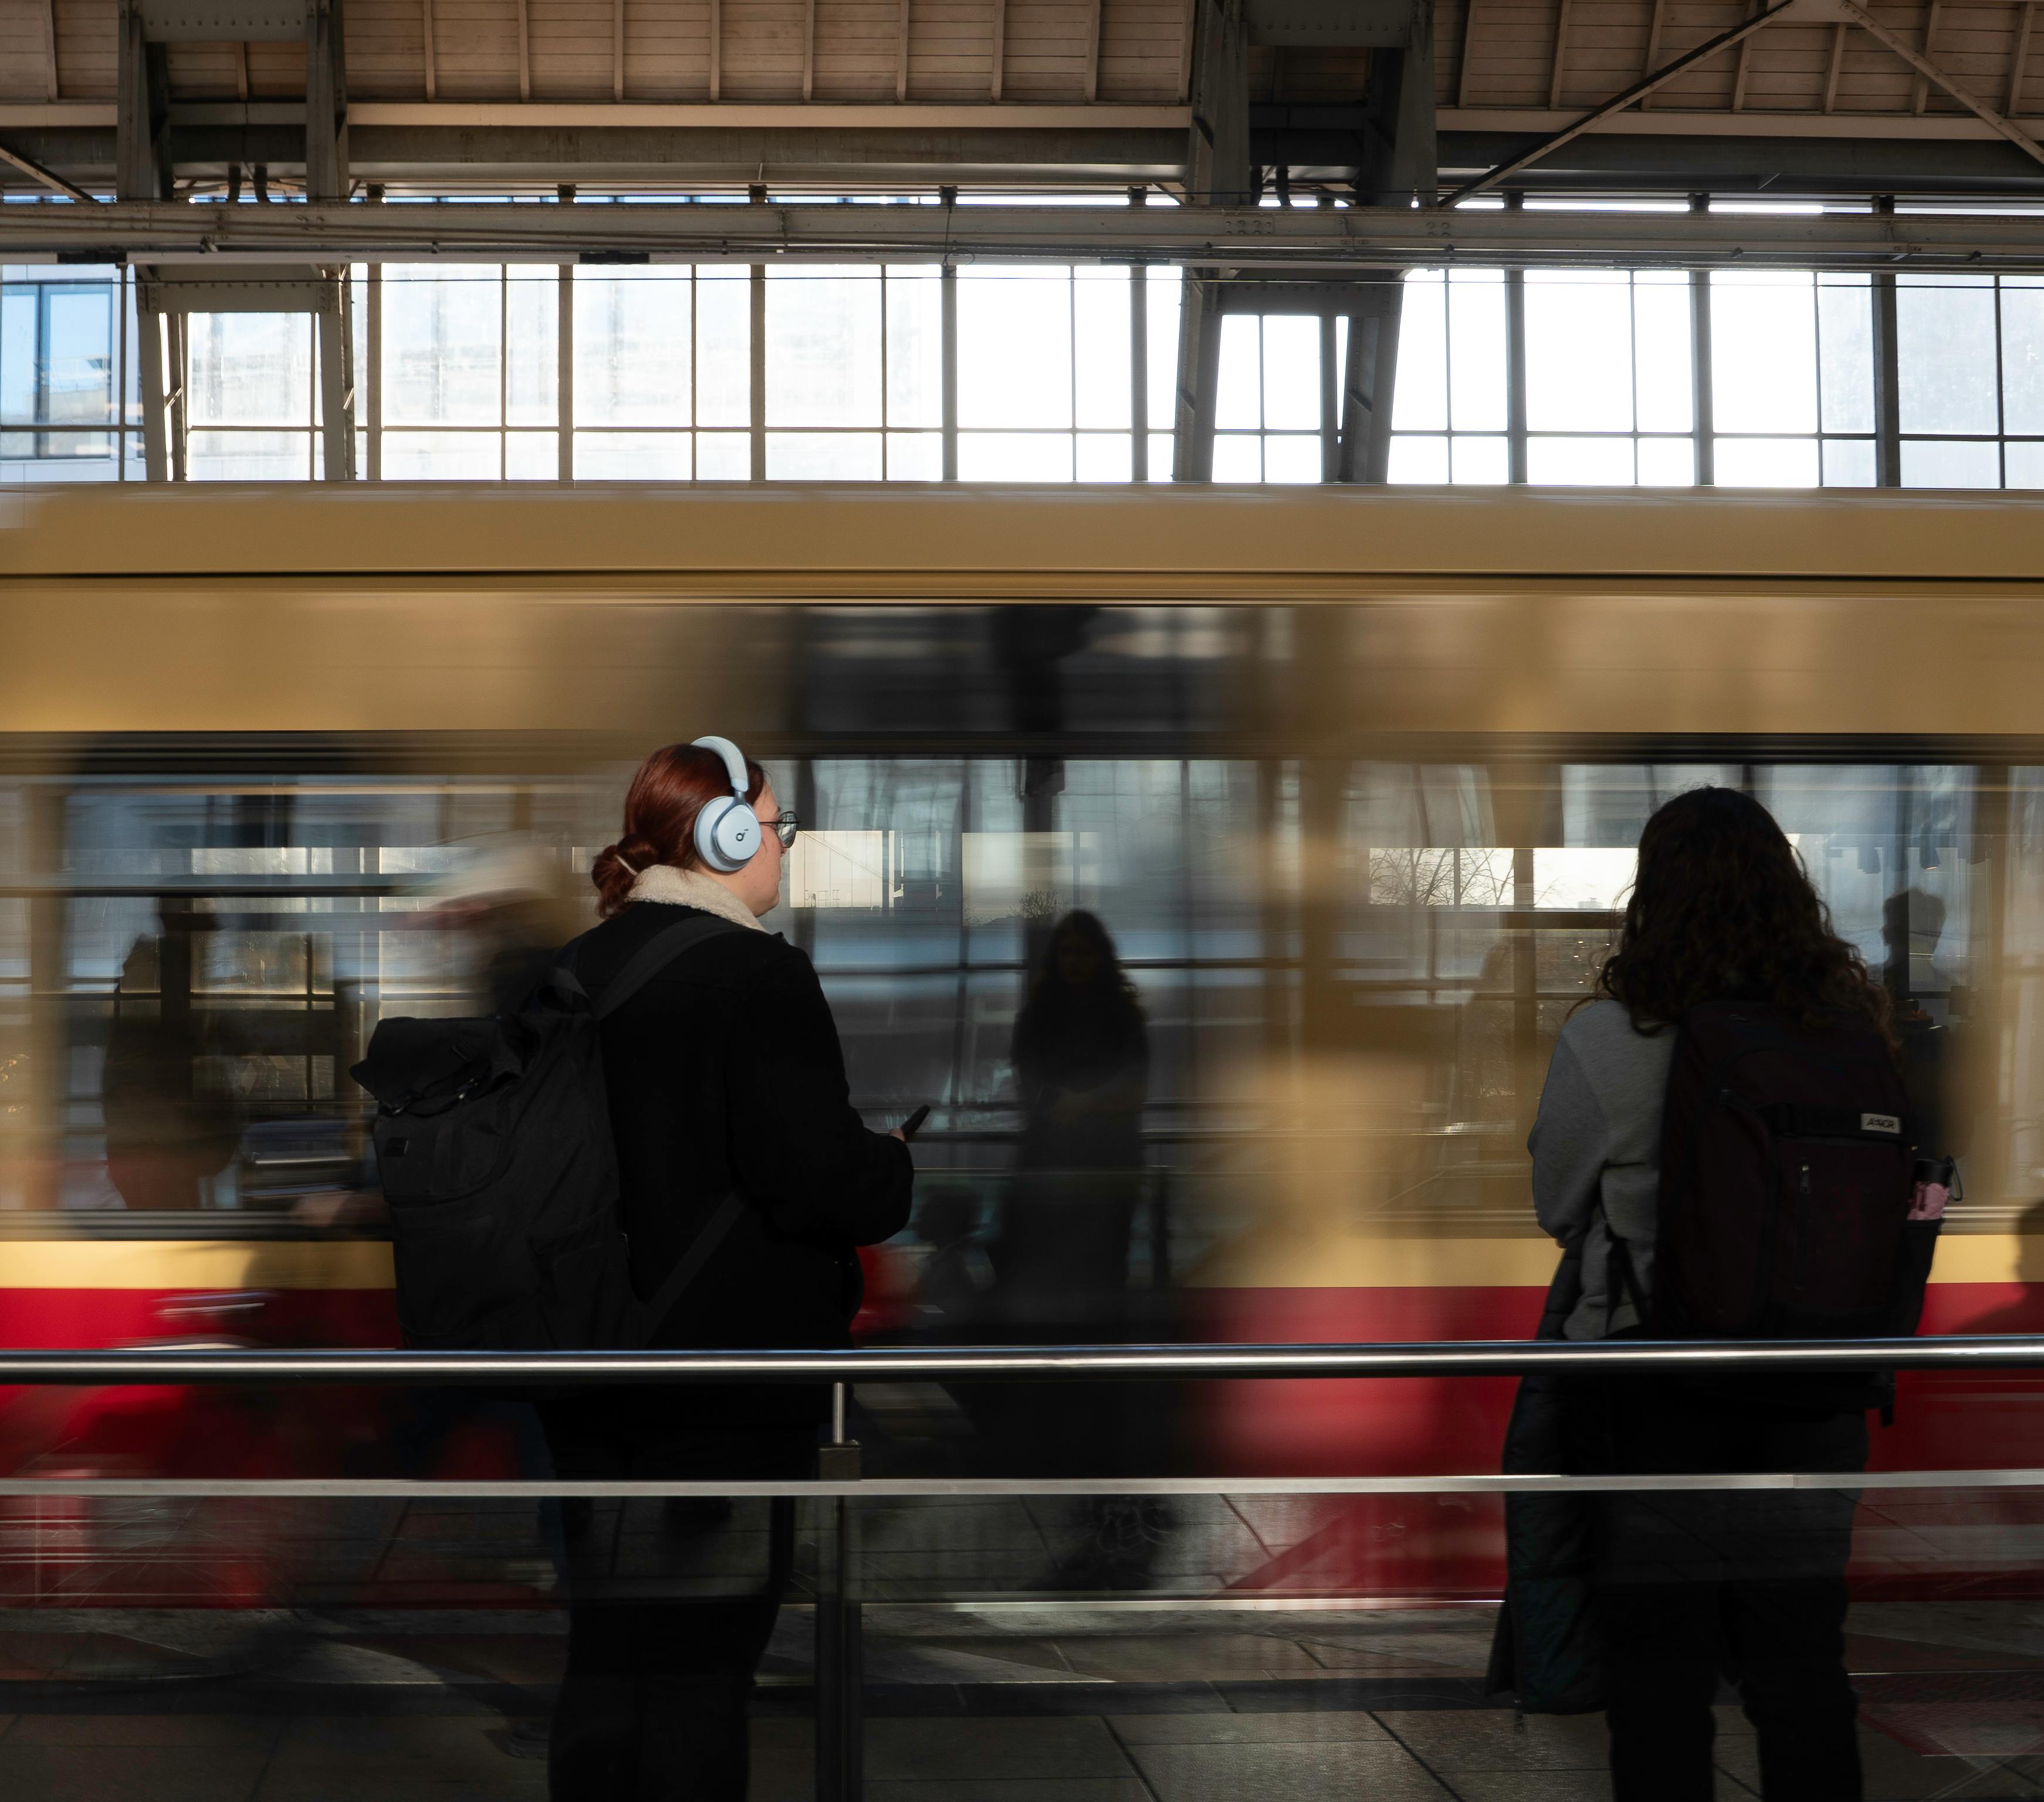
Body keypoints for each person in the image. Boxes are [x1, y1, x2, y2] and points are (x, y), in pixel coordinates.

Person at [540, 738, 913, 1802]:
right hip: (727, 1387)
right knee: (704, 1668)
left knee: (607, 1651)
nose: (783, 848)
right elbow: (816, 1183)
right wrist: (890, 1170)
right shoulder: (761, 975)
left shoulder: (575, 969)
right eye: (776, 825)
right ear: (727, 837)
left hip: (591, 1375)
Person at [1526, 786, 1889, 1802]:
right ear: (1788, 892)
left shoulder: (1607, 1035)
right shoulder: (1845, 1030)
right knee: (1802, 1658)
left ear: (1656, 895)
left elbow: (1558, 1204)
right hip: (1814, 1384)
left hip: (1655, 1382)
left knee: (1661, 1666)